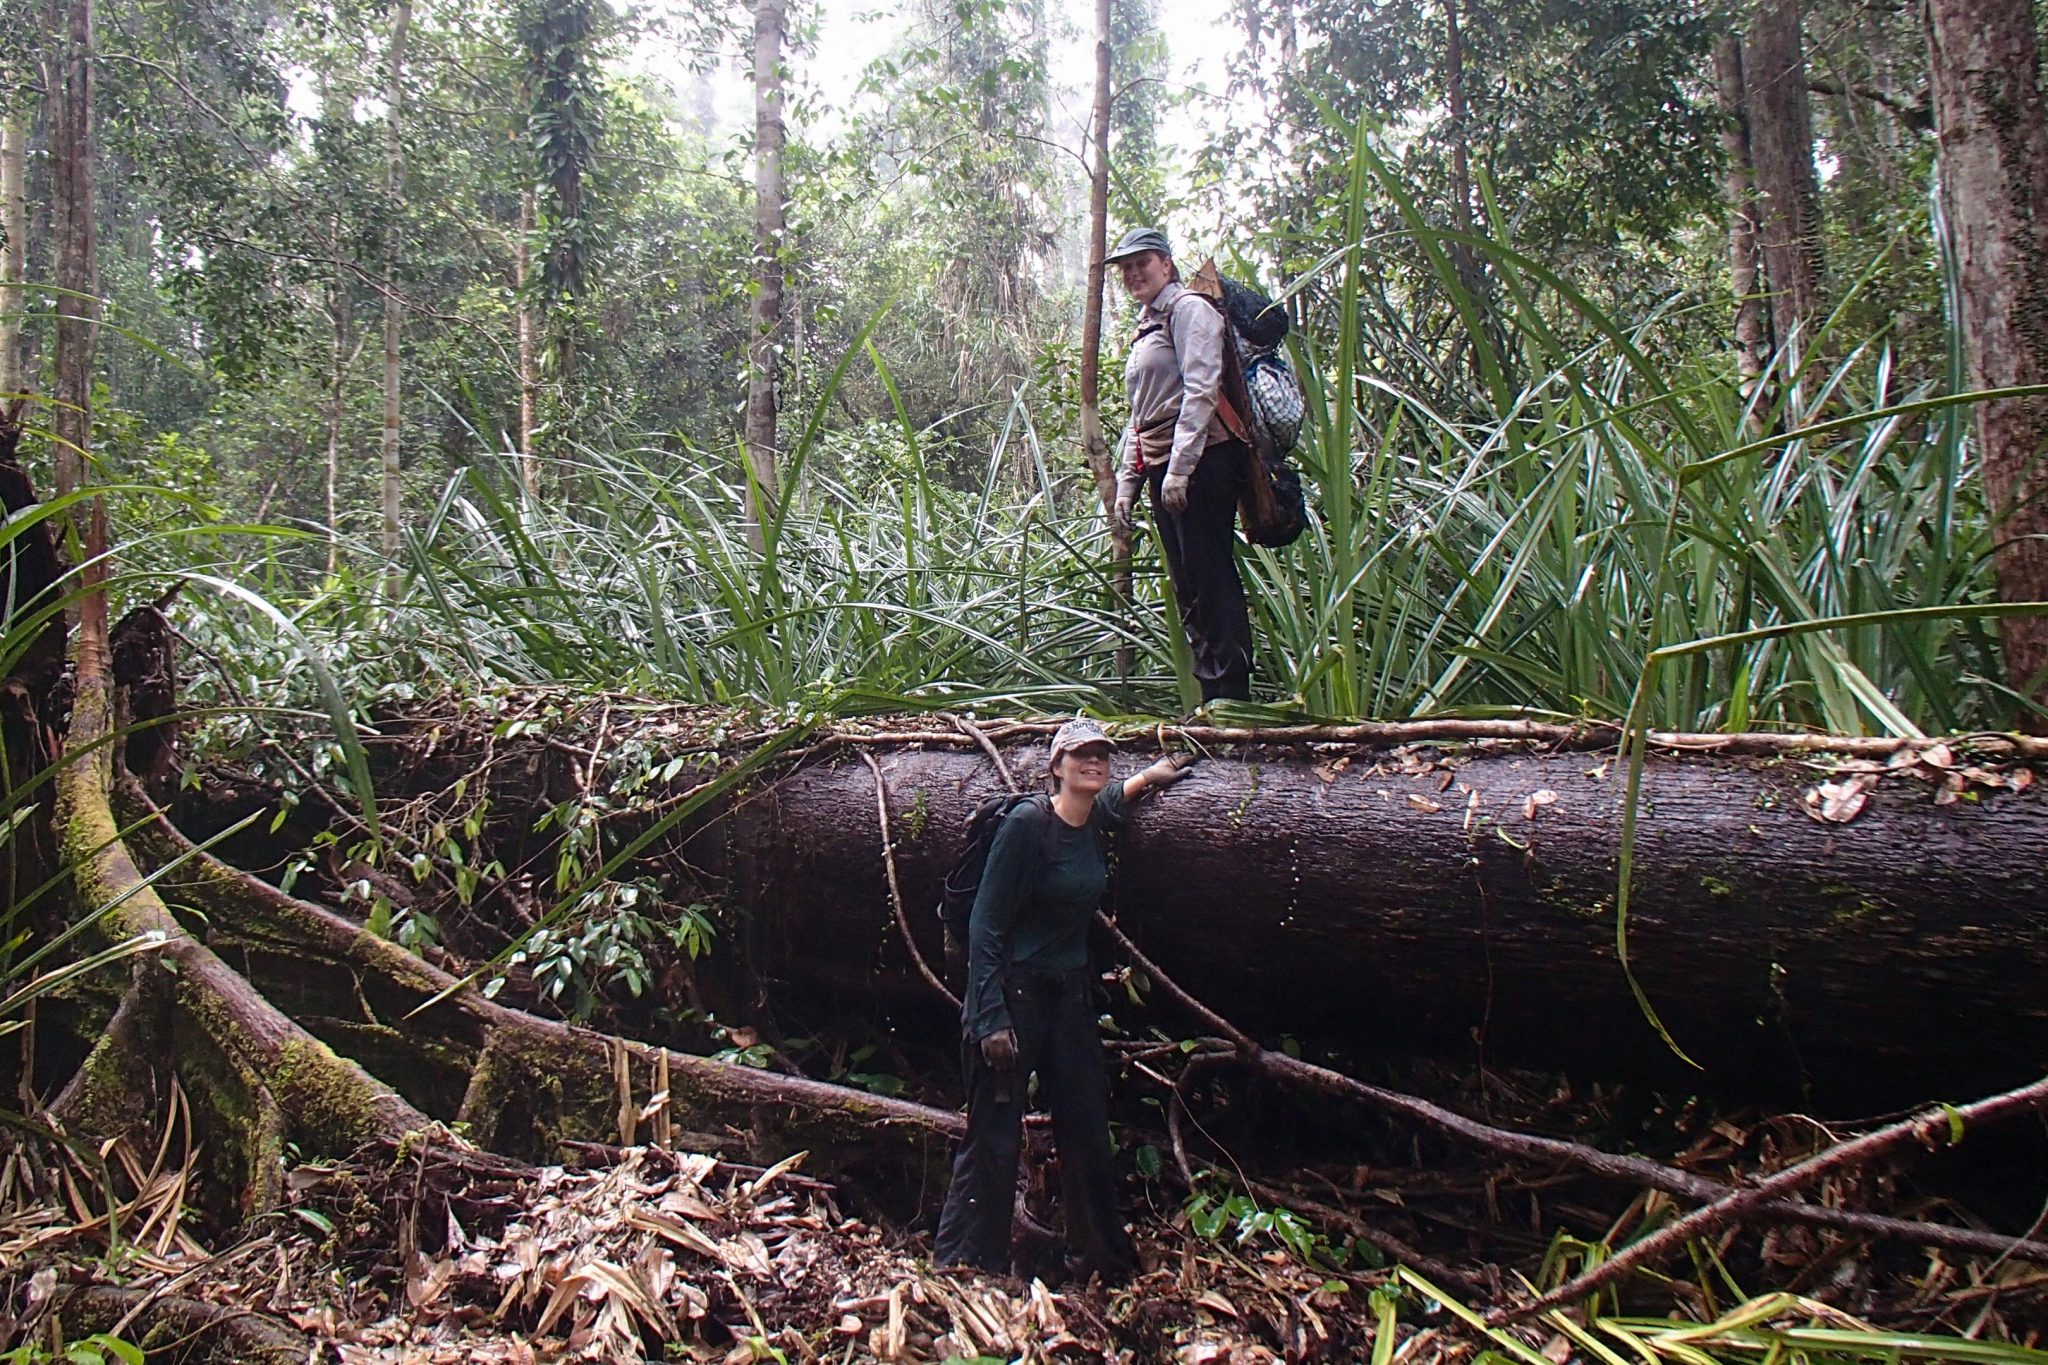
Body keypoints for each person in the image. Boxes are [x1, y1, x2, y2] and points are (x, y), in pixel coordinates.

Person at [933, 718, 1197, 1280]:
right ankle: (966, 1265)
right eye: (1080, 756)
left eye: (1101, 755)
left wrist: (1157, 771)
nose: (1093, 763)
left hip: (1069, 996)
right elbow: (986, 923)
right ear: (1057, 766)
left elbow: (1113, 801)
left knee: (1085, 1125)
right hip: (1014, 993)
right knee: (996, 1134)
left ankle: (1100, 1261)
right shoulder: (1029, 825)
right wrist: (988, 1018)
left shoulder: (1089, 820)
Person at [1106, 225, 1255, 704]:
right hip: (1162, 465)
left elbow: (1201, 391)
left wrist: (1180, 469)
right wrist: (1128, 485)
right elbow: (1140, 414)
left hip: (1204, 462)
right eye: (1126, 268)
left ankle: (1232, 700)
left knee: (1210, 576)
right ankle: (1213, 697)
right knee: (1187, 583)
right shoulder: (1148, 324)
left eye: (1141, 263)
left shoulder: (1189, 311)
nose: (1133, 274)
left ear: (1166, 264)